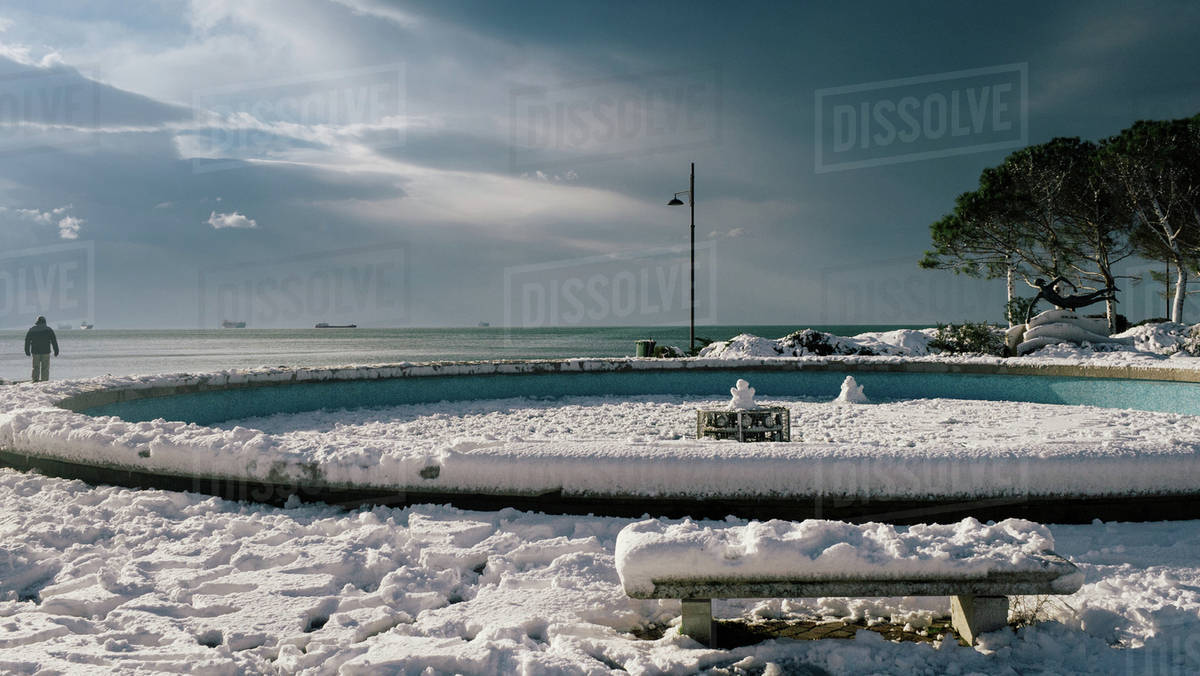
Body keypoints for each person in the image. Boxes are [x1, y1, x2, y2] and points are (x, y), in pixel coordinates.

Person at [24, 316, 59, 382]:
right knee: (45, 368)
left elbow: (27, 341)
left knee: (36, 367)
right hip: (46, 351)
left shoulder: (32, 329)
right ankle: (45, 381)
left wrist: (27, 350)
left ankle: (35, 380)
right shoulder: (49, 329)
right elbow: (54, 341)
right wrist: (56, 350)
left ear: (37, 322)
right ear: (45, 322)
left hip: (35, 352)